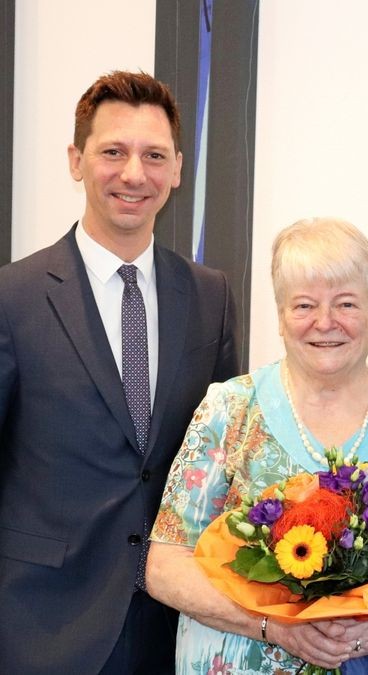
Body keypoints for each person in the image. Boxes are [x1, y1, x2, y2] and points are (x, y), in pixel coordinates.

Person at [144, 217, 368, 673]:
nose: (325, 322)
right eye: (303, 305)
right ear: (280, 317)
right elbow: (164, 565)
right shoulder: (229, 410)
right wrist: (270, 623)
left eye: (347, 303)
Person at [0, 70, 240, 673]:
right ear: (76, 160)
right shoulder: (14, 297)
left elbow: (224, 457)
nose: (134, 173)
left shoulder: (211, 296)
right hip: (42, 627)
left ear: (177, 169)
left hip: (177, 627)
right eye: (113, 152)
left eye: (154, 155)